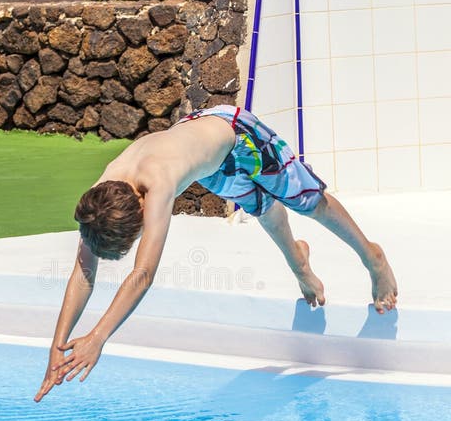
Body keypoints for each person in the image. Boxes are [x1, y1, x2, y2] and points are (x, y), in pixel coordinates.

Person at [34, 104, 397, 400]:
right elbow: (84, 272)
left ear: (142, 209)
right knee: (262, 209)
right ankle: (299, 261)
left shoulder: (158, 183)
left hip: (236, 135)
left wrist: (97, 337)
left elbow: (142, 274)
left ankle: (372, 256)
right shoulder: (101, 199)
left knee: (308, 203)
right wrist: (57, 345)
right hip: (207, 158)